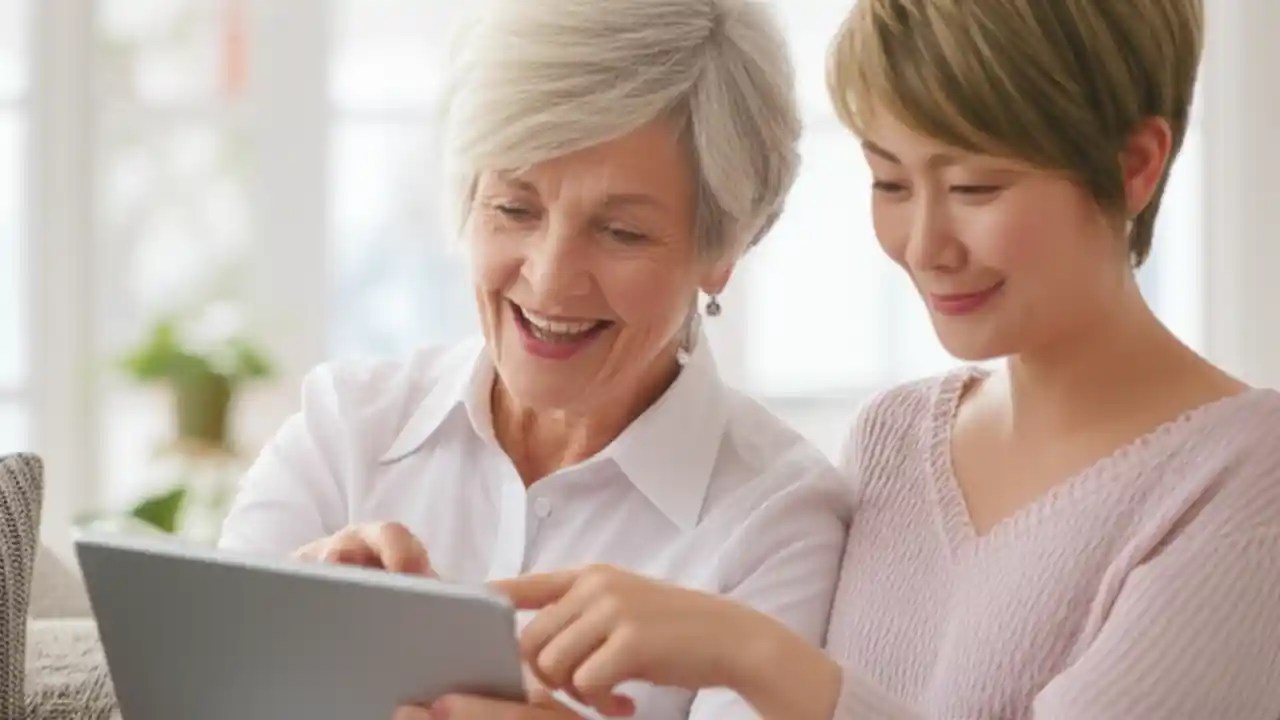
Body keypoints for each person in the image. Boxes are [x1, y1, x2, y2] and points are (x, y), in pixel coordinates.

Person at [435, 0, 1280, 718]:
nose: (924, 244)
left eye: (975, 189)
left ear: (1135, 166)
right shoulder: (896, 440)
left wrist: (754, 655)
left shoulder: (1243, 481)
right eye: (891, 183)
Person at [218, 0, 852, 717]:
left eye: (620, 232)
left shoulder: (776, 518)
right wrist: (278, 645)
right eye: (515, 210)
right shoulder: (346, 433)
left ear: (723, 251)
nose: (550, 278)